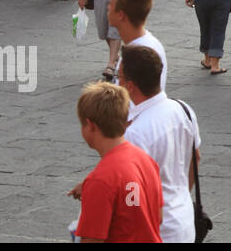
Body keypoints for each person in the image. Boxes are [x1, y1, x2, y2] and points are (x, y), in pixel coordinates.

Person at [119, 45, 201, 243]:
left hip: (158, 231)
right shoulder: (183, 109)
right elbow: (195, 158)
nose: (117, 82)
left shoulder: (135, 133)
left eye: (119, 77)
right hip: (184, 220)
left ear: (130, 86)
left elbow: (133, 198)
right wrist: (178, 195)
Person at [69, 82, 163, 242]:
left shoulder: (100, 180)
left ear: (90, 125)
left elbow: (92, 240)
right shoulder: (145, 160)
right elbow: (158, 217)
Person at [110, 0, 168, 93]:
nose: (108, 8)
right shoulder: (140, 44)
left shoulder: (141, 52)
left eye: (110, 5)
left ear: (120, 15)